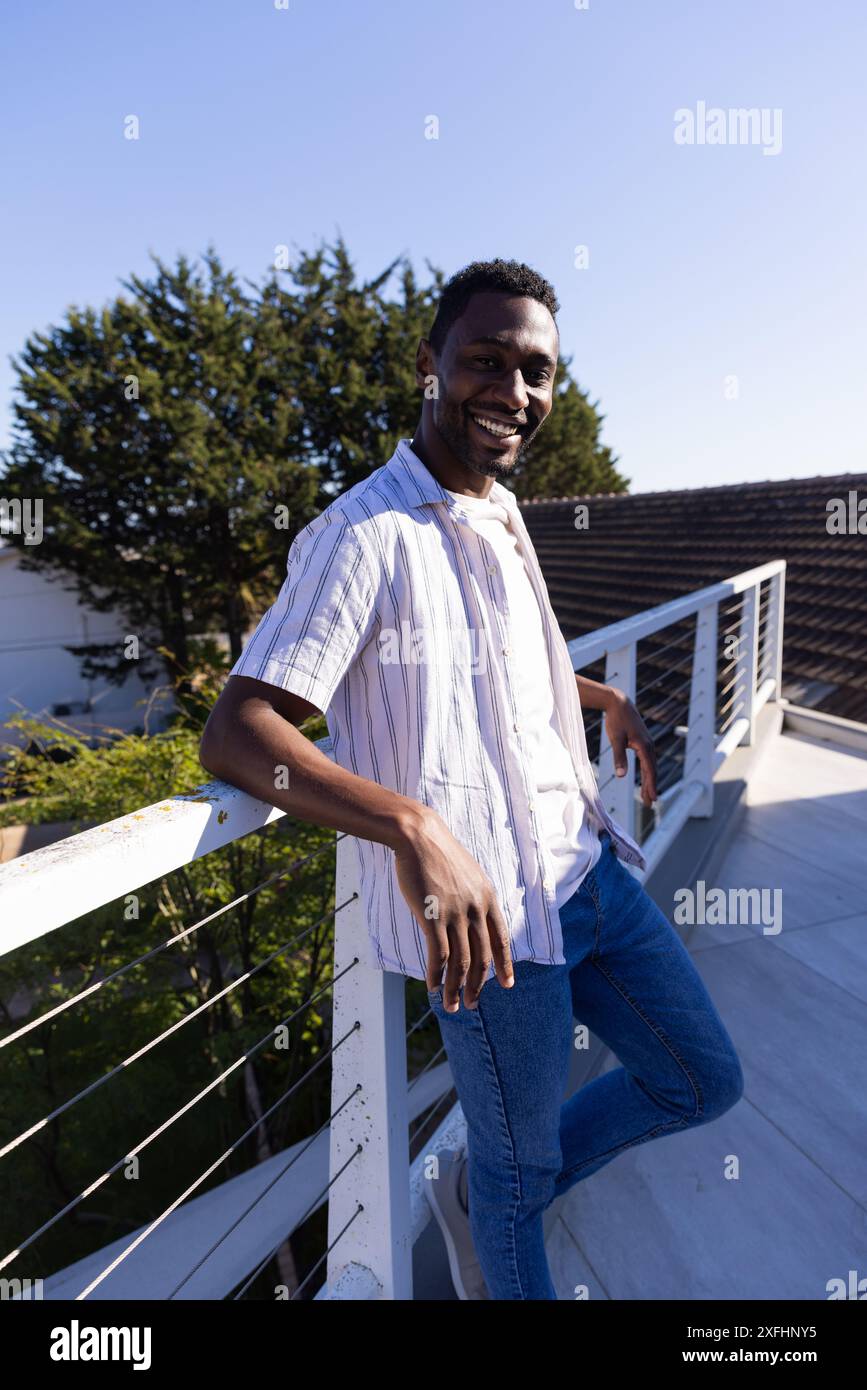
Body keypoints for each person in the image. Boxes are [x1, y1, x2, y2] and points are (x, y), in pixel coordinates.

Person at [199, 258, 744, 1301]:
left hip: (586, 876)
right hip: (490, 931)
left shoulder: (497, 507)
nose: (514, 392)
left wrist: (596, 697)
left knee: (702, 1078)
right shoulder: (360, 535)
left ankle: (483, 1190)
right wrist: (408, 823)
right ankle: (500, 1198)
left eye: (535, 371)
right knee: (520, 1168)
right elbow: (237, 730)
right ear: (429, 365)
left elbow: (491, 666)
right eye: (485, 361)